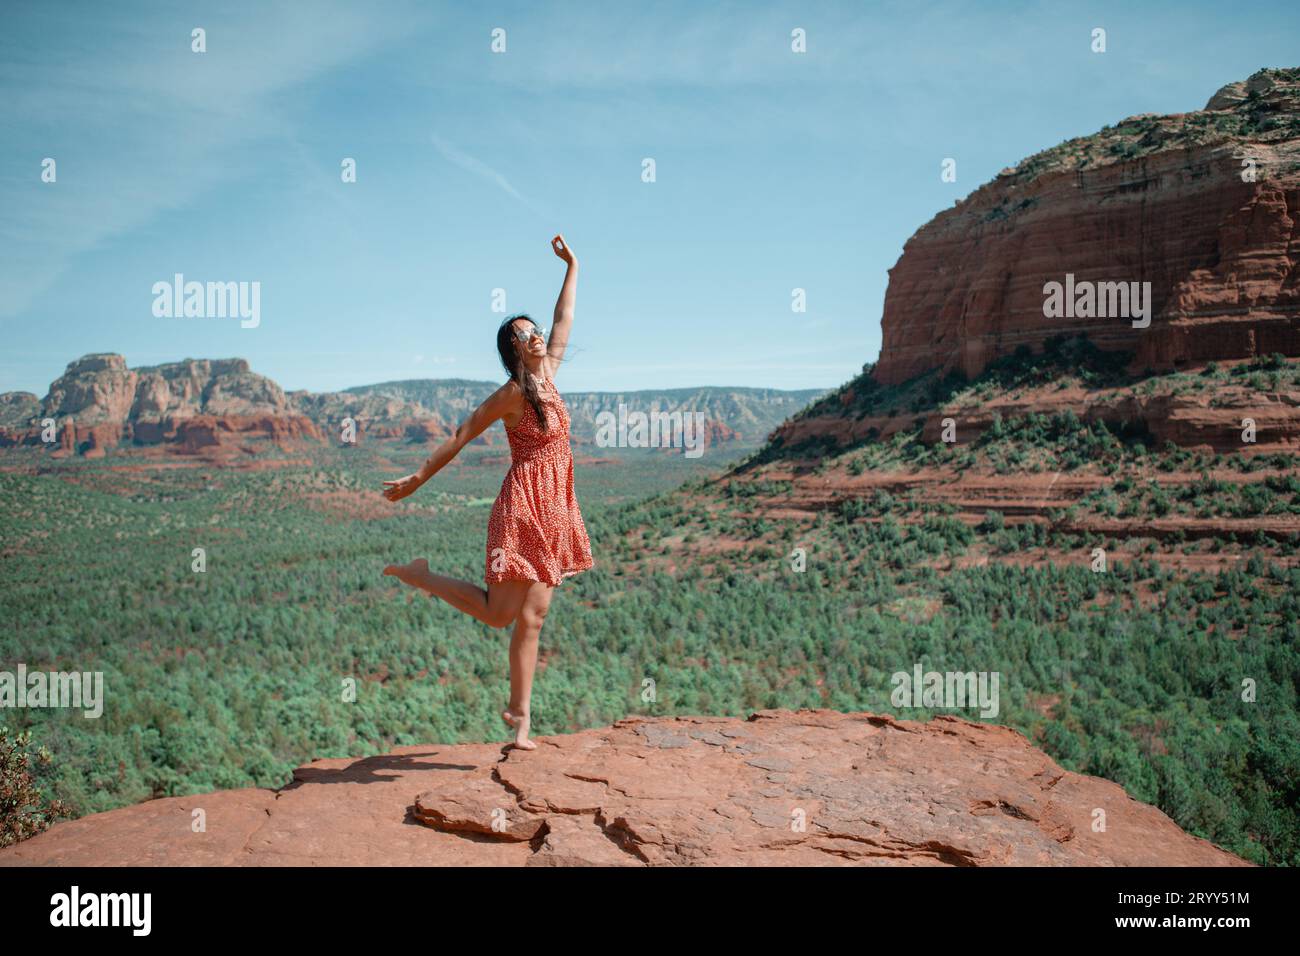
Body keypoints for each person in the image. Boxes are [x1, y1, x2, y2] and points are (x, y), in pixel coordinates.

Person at [382, 234, 593, 750]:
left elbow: (564, 318)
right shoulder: (513, 394)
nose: (537, 336)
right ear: (512, 351)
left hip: (556, 508)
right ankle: (423, 577)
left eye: (535, 330)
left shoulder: (551, 376)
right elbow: (460, 435)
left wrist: (573, 265)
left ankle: (520, 720)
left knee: (533, 616)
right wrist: (417, 479)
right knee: (501, 615)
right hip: (522, 508)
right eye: (524, 335)